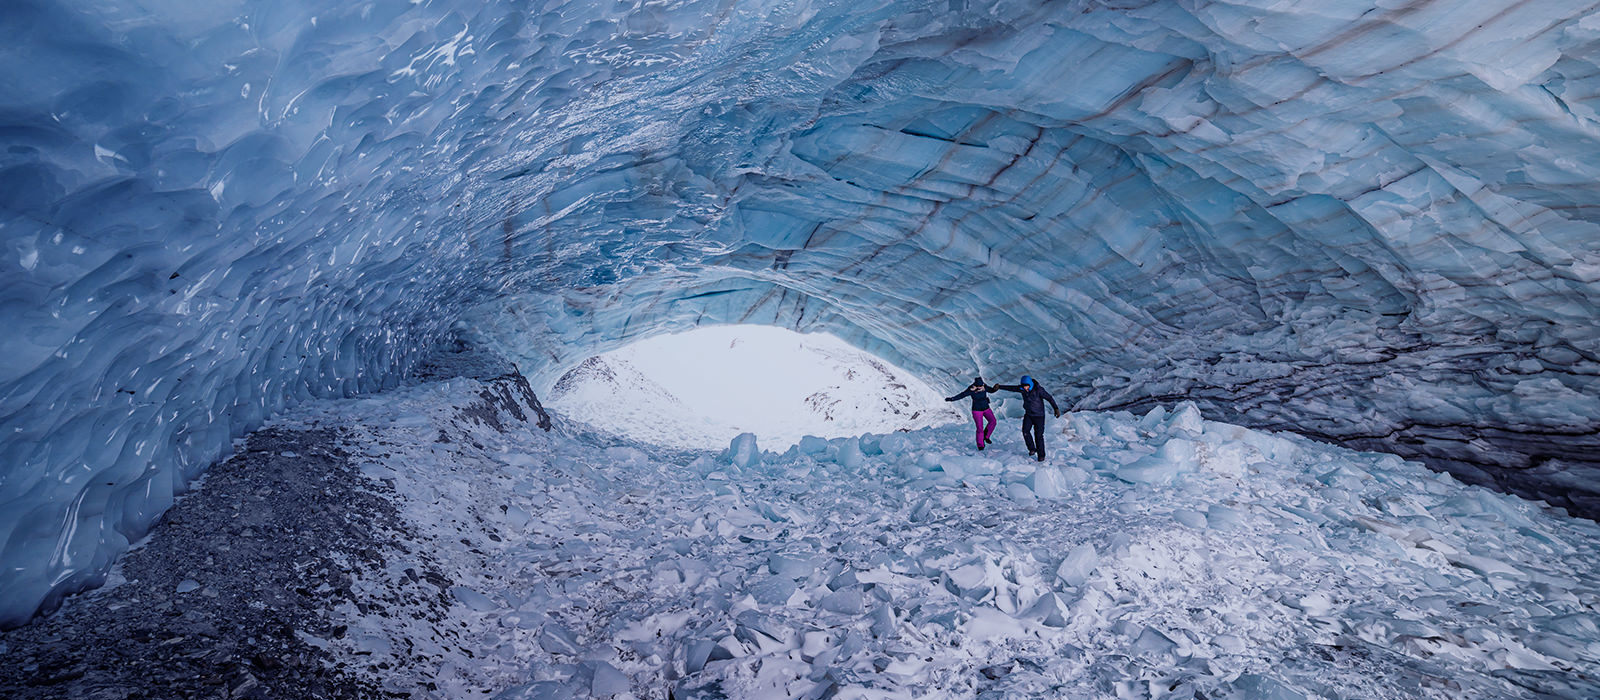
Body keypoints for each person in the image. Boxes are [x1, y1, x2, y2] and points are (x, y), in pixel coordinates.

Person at [994, 375, 1060, 461]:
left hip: (1039, 416)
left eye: (1026, 386)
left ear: (1030, 384)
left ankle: (1041, 455)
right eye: (1023, 386)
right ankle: (1032, 449)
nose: (1025, 388)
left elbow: (1049, 398)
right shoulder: (1022, 389)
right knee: (1025, 431)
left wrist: (1056, 408)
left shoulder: (1038, 390)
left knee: (1038, 436)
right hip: (1029, 415)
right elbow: (1012, 388)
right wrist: (999, 387)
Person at [945, 377, 999, 450]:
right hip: (977, 410)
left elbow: (991, 390)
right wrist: (952, 399)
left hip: (986, 408)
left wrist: (995, 388)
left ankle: (986, 437)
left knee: (993, 421)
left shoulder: (984, 386)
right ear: (975, 385)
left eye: (981, 385)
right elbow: (962, 395)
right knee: (980, 428)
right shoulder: (971, 389)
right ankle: (981, 445)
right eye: (979, 386)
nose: (981, 387)